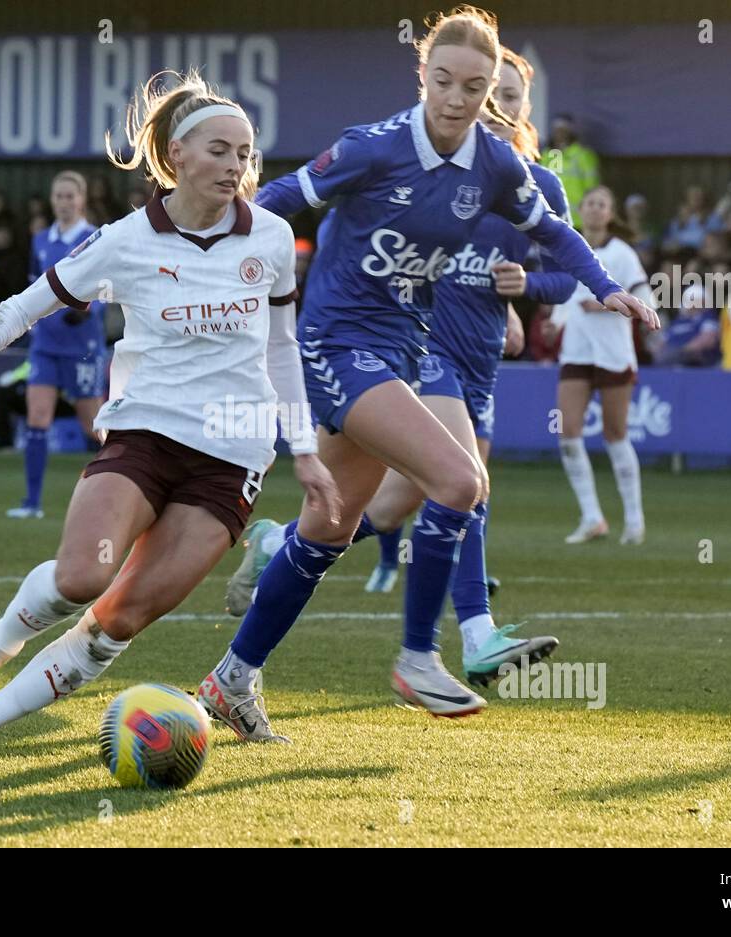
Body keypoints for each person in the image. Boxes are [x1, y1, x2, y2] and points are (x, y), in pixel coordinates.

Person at [203, 5, 658, 735]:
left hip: (400, 352)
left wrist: (605, 286)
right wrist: (212, 244)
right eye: (443, 80)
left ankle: (232, 678)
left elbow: (554, 233)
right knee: (460, 479)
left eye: (474, 87)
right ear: (423, 74)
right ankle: (422, 655)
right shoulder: (372, 149)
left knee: (326, 531)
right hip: (336, 343)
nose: (457, 98)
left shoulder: (497, 165)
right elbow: (283, 199)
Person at [0, 70, 338, 763]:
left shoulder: (269, 236)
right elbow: (29, 303)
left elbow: (282, 347)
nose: (235, 165)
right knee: (83, 575)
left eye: (245, 153)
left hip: (233, 458)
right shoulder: (125, 240)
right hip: (146, 432)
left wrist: (303, 448)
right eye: (220, 150)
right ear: (177, 155)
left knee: (120, 618)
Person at [226, 46, 571, 690]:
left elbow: (560, 279)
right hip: (415, 351)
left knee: (381, 511)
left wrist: (527, 288)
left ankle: (264, 585)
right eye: (486, 94)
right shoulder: (422, 163)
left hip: (477, 360)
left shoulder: (526, 186)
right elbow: (355, 237)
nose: (492, 107)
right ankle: (466, 639)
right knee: (462, 482)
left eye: (509, 98)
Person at [550, 186, 654, 546]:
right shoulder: (570, 247)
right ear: (581, 209)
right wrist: (555, 322)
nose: (595, 210)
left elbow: (648, 299)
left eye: (602, 205)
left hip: (613, 353)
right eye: (590, 204)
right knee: (568, 434)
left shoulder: (622, 254)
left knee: (615, 434)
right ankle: (592, 517)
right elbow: (564, 296)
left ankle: (634, 520)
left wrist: (611, 304)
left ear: (610, 214)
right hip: (577, 351)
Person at [7, 171, 108, 519]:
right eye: (59, 196)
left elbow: (108, 286)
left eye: (70, 196)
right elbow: (33, 286)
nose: (64, 203)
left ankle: (117, 497)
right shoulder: (40, 240)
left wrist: (91, 308)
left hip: (82, 346)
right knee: (37, 418)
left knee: (93, 426)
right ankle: (31, 502)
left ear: (81, 200)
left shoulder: (95, 238)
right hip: (46, 344)